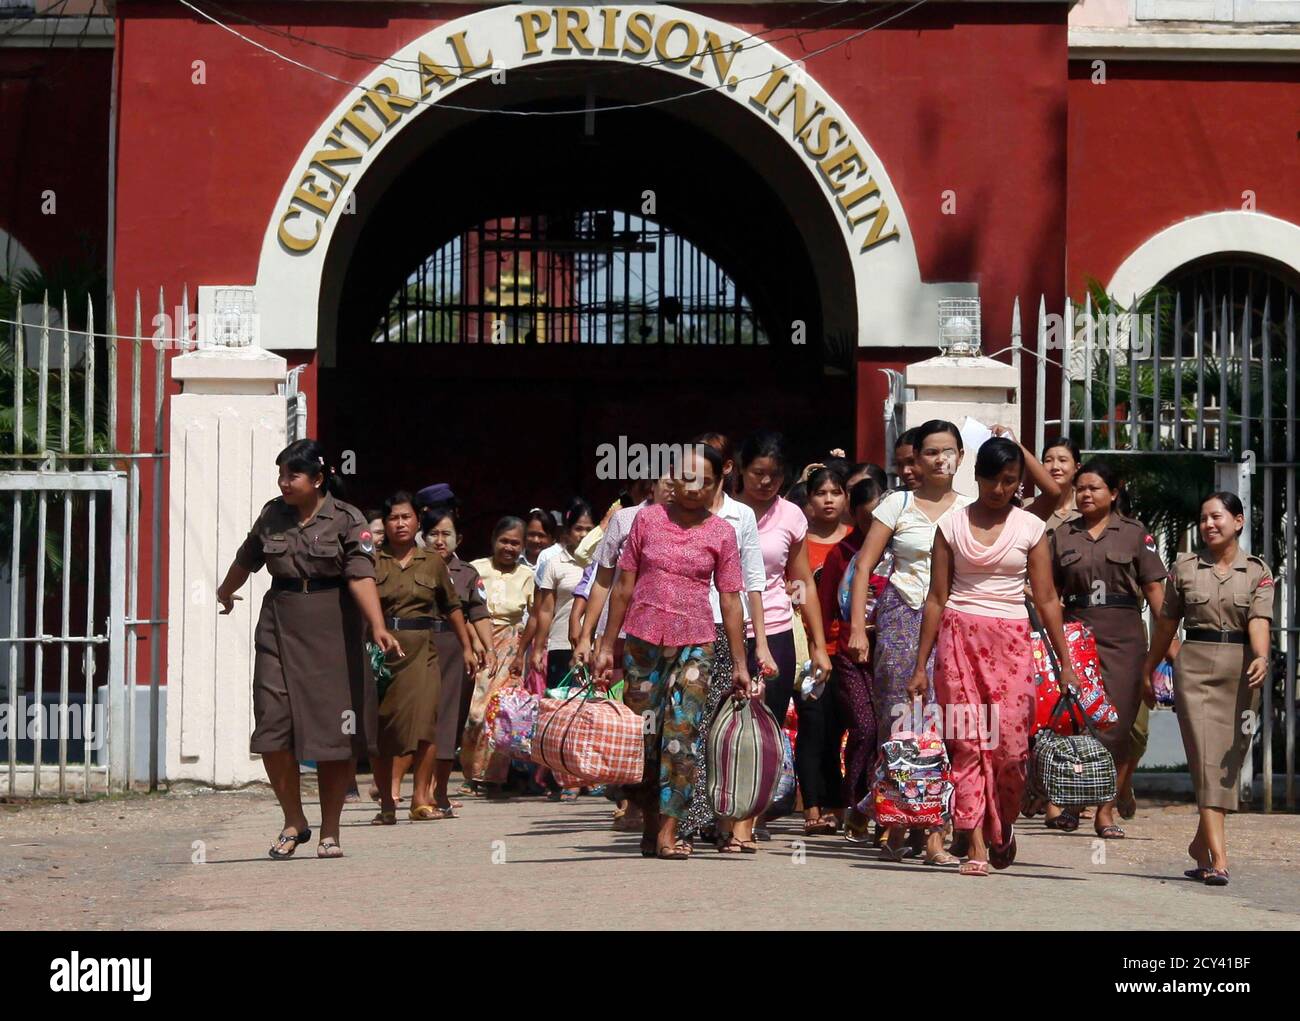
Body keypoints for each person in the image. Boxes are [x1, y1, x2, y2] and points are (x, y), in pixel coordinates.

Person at [216, 439, 400, 860]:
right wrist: (226, 591)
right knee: (271, 726)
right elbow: (247, 558)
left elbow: (359, 575)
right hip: (279, 625)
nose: (283, 483)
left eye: (292, 475)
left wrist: (377, 625)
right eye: (280, 475)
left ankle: (330, 830)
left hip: (333, 632)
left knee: (335, 734)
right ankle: (293, 820)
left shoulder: (348, 519)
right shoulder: (272, 514)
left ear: (318, 479)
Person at [911, 437, 1077, 875]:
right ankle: (976, 843)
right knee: (967, 744)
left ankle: (1002, 823)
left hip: (1012, 643)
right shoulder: (951, 525)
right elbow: (936, 597)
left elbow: (1045, 599)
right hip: (958, 638)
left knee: (1010, 749)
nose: (1001, 490)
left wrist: (1067, 664)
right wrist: (919, 665)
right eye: (993, 480)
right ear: (978, 477)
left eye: (1010, 482)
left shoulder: (1030, 528)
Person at [595, 443, 754, 861]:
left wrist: (740, 663)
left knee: (681, 737)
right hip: (643, 643)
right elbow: (623, 586)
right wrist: (606, 646)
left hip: (697, 643)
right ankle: (649, 824)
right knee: (646, 737)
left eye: (704, 479)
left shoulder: (723, 532)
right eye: (685, 476)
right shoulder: (645, 520)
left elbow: (732, 600)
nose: (692, 486)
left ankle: (669, 830)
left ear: (718, 482)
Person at [844, 420, 973, 863]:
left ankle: (934, 834)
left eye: (949, 450)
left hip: (952, 622)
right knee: (900, 723)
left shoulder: (971, 510)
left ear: (962, 455)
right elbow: (864, 567)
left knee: (942, 725)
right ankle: (895, 826)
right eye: (931, 452)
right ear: (916, 460)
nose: (941, 459)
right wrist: (859, 628)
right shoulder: (896, 505)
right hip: (900, 617)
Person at [1143, 492, 1272, 887]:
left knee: (1227, 766)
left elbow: (1259, 620)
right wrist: (1149, 668)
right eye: (1203, 518)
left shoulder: (1257, 571)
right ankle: (1218, 859)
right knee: (1204, 760)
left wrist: (1262, 657)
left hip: (1241, 671)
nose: (1209, 524)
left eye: (1217, 517)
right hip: (1194, 668)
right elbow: (1166, 625)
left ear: (1238, 521)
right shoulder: (1184, 568)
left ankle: (1200, 845)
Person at [1050, 461, 1168, 839]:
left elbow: (1155, 592)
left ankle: (1106, 809)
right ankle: (1071, 802)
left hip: (1124, 637)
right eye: (1080, 488)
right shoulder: (1064, 535)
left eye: (1094, 488)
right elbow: (1049, 592)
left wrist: (1169, 641)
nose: (1085, 494)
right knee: (1076, 721)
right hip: (1077, 634)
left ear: (1114, 492)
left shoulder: (1134, 534)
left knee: (1115, 725)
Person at [733, 431, 835, 842]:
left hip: (774, 629)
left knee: (764, 725)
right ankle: (717, 810)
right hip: (721, 628)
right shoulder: (720, 511)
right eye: (758, 473)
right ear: (740, 471)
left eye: (775, 475)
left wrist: (818, 644)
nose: (765, 482)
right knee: (719, 721)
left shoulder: (792, 515)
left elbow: (802, 580)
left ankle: (750, 817)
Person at [680, 432, 776, 853]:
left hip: (727, 628)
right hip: (683, 625)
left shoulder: (741, 517)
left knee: (722, 727)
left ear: (724, 472)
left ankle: (723, 821)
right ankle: (682, 819)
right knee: (686, 723)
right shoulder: (676, 514)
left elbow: (753, 582)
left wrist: (761, 644)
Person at [370, 492, 478, 825]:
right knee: (384, 729)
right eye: (393, 518)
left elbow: (453, 607)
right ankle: (387, 803)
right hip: (383, 653)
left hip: (423, 650)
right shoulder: (371, 561)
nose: (399, 524)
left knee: (426, 725)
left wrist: (467, 647)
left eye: (406, 517)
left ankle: (420, 799)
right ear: (385, 524)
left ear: (417, 521)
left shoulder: (431, 561)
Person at [816, 475, 884, 836]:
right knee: (865, 727)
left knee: (889, 731)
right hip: (848, 654)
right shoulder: (841, 554)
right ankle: (854, 800)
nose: (875, 525)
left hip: (890, 652)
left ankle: (886, 808)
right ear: (854, 515)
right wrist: (819, 653)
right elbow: (825, 609)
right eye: (867, 517)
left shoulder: (898, 552)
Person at [423, 506, 493, 815]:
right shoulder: (412, 567)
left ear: (458, 539)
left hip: (455, 648)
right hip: (419, 644)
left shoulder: (468, 573)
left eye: (446, 534)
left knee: (450, 721)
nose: (439, 541)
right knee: (418, 720)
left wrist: (488, 648)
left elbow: (478, 611)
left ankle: (439, 793)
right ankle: (413, 793)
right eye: (433, 534)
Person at [462, 517, 535, 793]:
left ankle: (492, 777)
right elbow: (463, 608)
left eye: (516, 543)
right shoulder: (476, 569)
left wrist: (523, 651)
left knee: (500, 711)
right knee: (474, 712)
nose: (509, 547)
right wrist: (472, 643)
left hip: (510, 647)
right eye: (504, 540)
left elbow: (537, 615)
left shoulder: (527, 575)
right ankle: (469, 771)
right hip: (479, 641)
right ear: (493, 540)